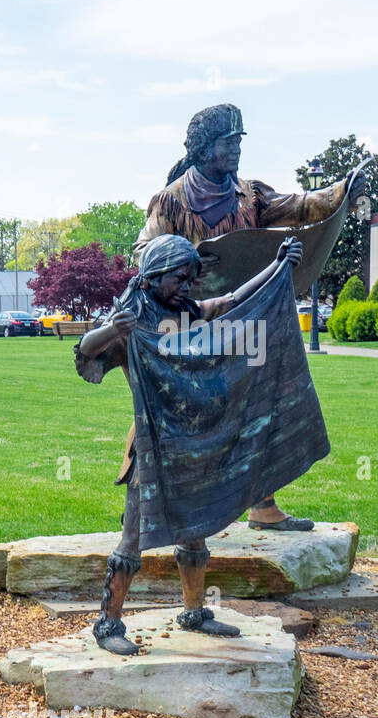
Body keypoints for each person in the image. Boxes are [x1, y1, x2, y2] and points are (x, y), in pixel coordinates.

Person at [76, 233, 325, 656]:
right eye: (180, 279)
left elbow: (230, 302)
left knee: (194, 535)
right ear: (154, 276)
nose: (188, 287)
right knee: (132, 539)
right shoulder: (132, 322)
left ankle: (193, 612)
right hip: (153, 451)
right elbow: (84, 354)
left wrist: (279, 266)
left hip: (200, 445)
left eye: (192, 279)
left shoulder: (188, 316)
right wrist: (108, 330)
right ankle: (108, 623)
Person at [135, 104, 365, 532]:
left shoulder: (250, 195)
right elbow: (143, 253)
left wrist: (343, 190)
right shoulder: (170, 202)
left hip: (248, 318)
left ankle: (262, 502)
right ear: (204, 148)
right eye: (229, 142)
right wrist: (187, 262)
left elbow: (301, 206)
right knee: (184, 410)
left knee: (263, 400)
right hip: (191, 324)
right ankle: (157, 502)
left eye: (239, 141)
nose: (236, 150)